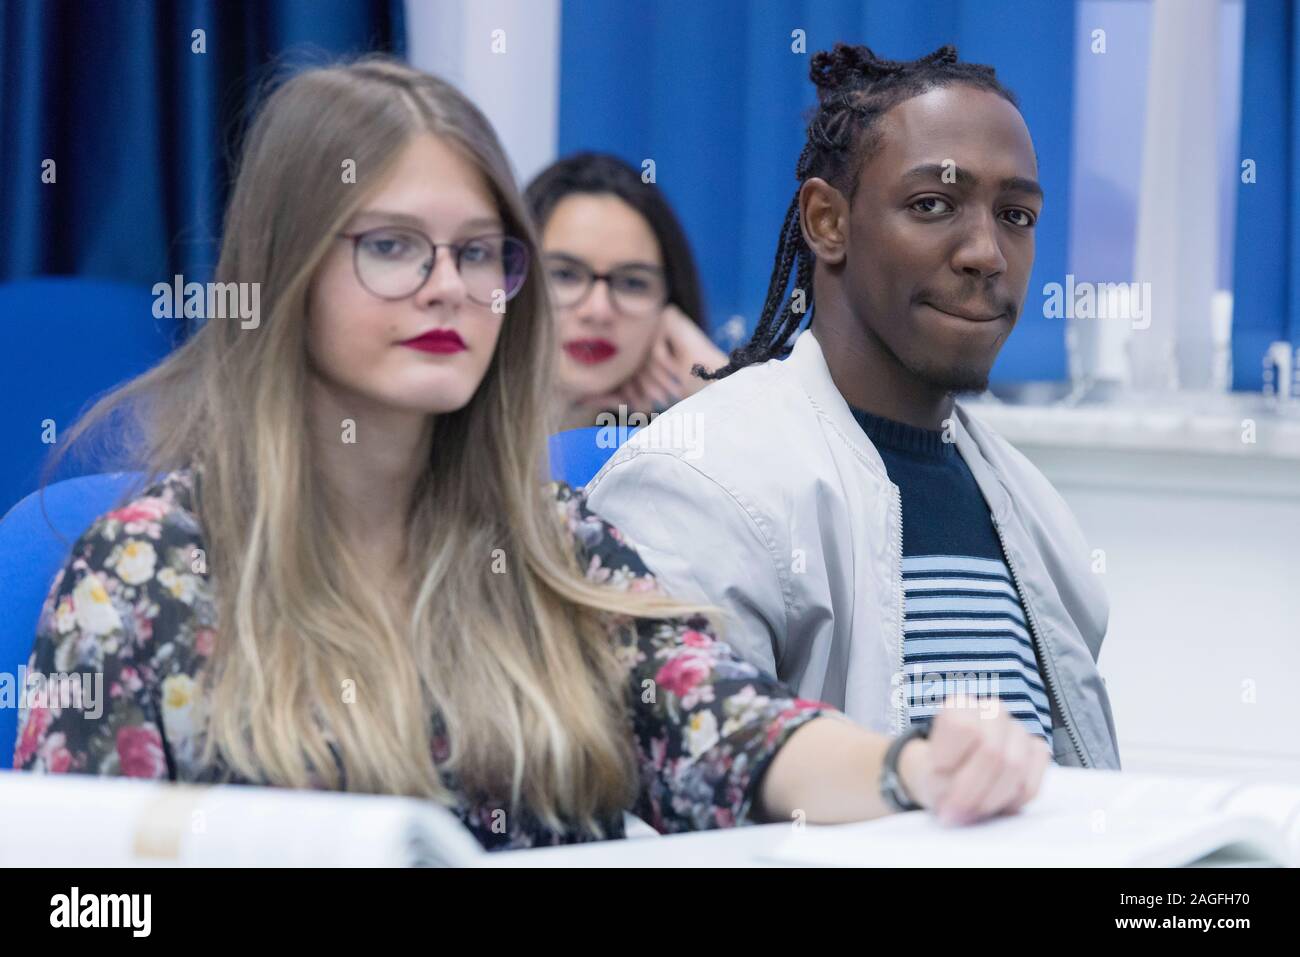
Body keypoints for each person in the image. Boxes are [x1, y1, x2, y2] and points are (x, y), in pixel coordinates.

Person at [13, 57, 1049, 847]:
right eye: (390, 246)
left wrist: (913, 766)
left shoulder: (551, 547)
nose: (447, 286)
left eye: (478, 252)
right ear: (286, 273)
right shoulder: (145, 572)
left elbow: (733, 735)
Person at [586, 43, 1122, 771]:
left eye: (1016, 215)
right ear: (827, 221)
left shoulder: (1035, 509)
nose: (986, 253)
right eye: (932, 204)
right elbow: (682, 798)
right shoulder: (699, 482)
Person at [526, 153, 727, 430]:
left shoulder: (674, 457)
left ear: (669, 304)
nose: (598, 311)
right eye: (565, 274)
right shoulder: (450, 432)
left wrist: (715, 382)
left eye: (632, 283)